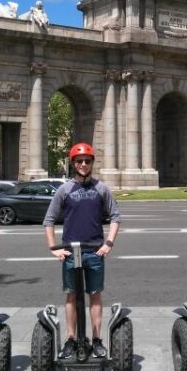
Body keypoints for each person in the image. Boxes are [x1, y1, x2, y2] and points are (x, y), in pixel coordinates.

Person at [43, 142, 121, 359]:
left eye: (87, 161)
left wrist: (109, 243)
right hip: (70, 252)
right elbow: (48, 220)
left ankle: (96, 340)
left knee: (95, 295)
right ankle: (71, 339)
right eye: (79, 161)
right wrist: (53, 247)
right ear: (73, 163)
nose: (84, 164)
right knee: (71, 296)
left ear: (92, 163)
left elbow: (115, 217)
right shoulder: (65, 189)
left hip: (94, 251)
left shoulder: (101, 189)